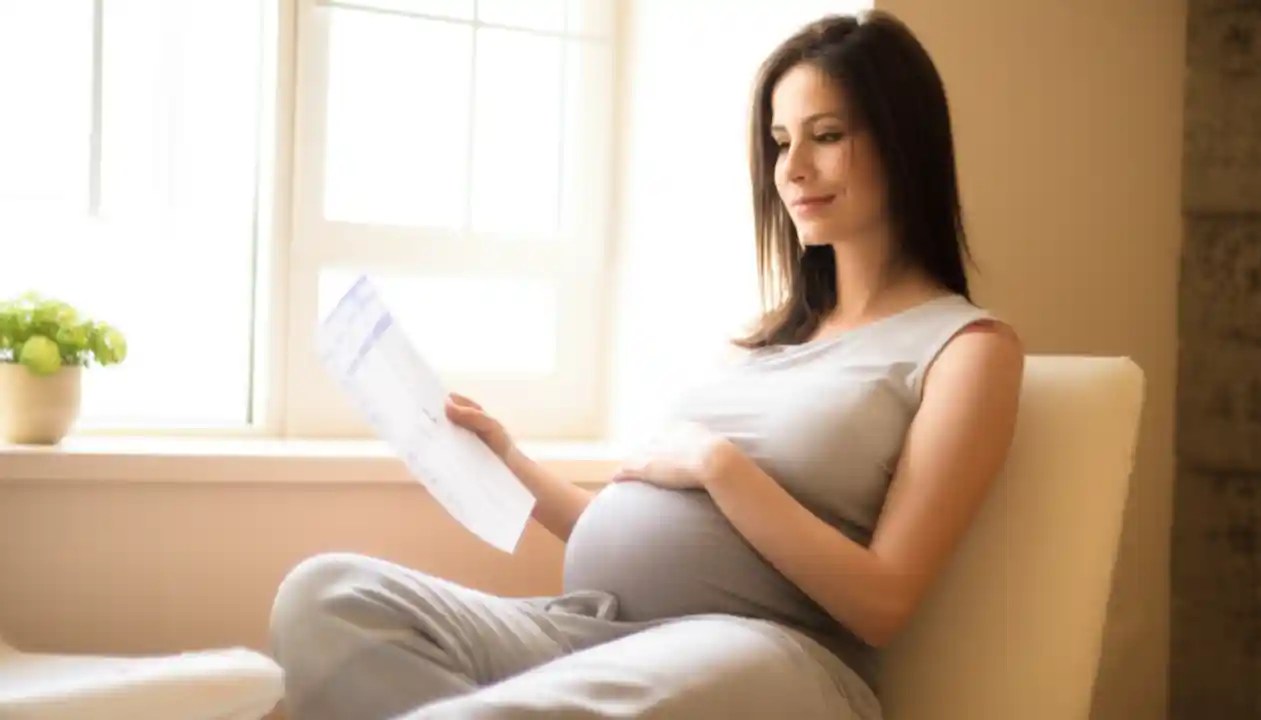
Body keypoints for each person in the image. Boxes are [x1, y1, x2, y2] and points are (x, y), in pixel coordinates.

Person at [269, 10, 1024, 720]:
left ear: (904, 141)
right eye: (779, 140)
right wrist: (505, 460)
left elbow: (883, 603)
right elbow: (636, 526)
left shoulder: (965, 350)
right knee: (327, 597)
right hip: (599, 633)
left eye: (825, 135)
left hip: (766, 659)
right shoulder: (762, 342)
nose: (792, 168)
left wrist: (722, 465)